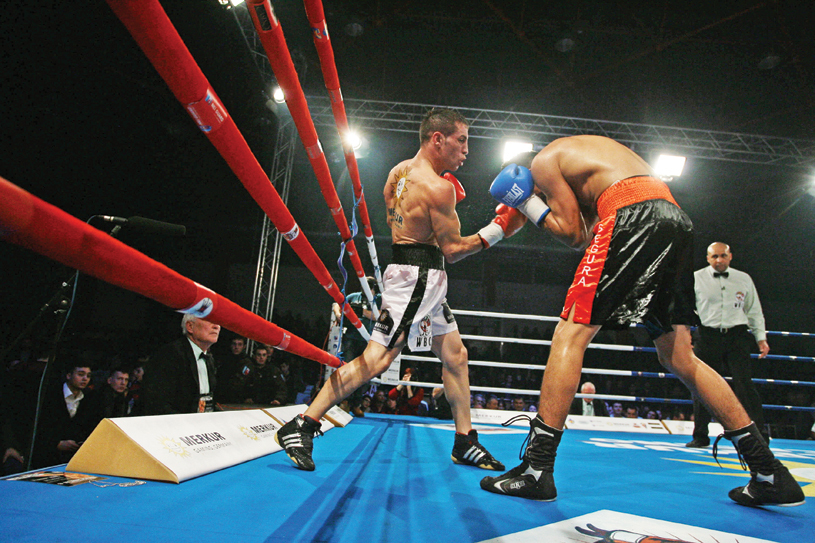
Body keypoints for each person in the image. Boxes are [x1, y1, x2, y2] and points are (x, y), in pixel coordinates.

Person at [479, 135, 804, 507]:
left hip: (633, 215)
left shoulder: (543, 162)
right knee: (679, 357)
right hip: (674, 220)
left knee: (569, 335)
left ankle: (536, 470)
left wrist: (527, 202)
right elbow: (587, 233)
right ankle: (768, 472)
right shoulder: (586, 160)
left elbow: (571, 234)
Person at [275, 108, 524, 472]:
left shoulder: (399, 171)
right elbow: (453, 250)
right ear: (437, 139)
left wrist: (420, 221)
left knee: (456, 356)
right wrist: (499, 228)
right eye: (461, 140)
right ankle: (303, 424)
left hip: (418, 276)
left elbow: (389, 200)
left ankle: (465, 441)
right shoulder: (438, 188)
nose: (466, 150)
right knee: (377, 359)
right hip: (416, 281)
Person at [687, 242, 771, 448]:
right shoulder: (696, 278)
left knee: (744, 384)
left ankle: (760, 434)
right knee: (702, 386)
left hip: (737, 336)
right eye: (714, 256)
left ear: (730, 256)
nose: (719, 260)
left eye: (723, 255)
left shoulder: (743, 279)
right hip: (707, 336)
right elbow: (686, 310)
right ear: (708, 258)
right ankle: (700, 435)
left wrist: (761, 338)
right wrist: (685, 336)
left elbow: (754, 310)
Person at [142, 314, 220, 415]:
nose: (216, 326)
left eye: (218, 322)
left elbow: (208, 401)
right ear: (190, 327)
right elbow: (157, 403)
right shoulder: (170, 354)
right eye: (209, 320)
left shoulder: (209, 358)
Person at [30, 364, 97, 468]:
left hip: (72, 457)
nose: (85, 378)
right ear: (69, 375)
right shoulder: (50, 394)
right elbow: (39, 425)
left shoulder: (88, 398)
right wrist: (55, 443)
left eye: (88, 376)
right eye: (80, 374)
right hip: (46, 455)